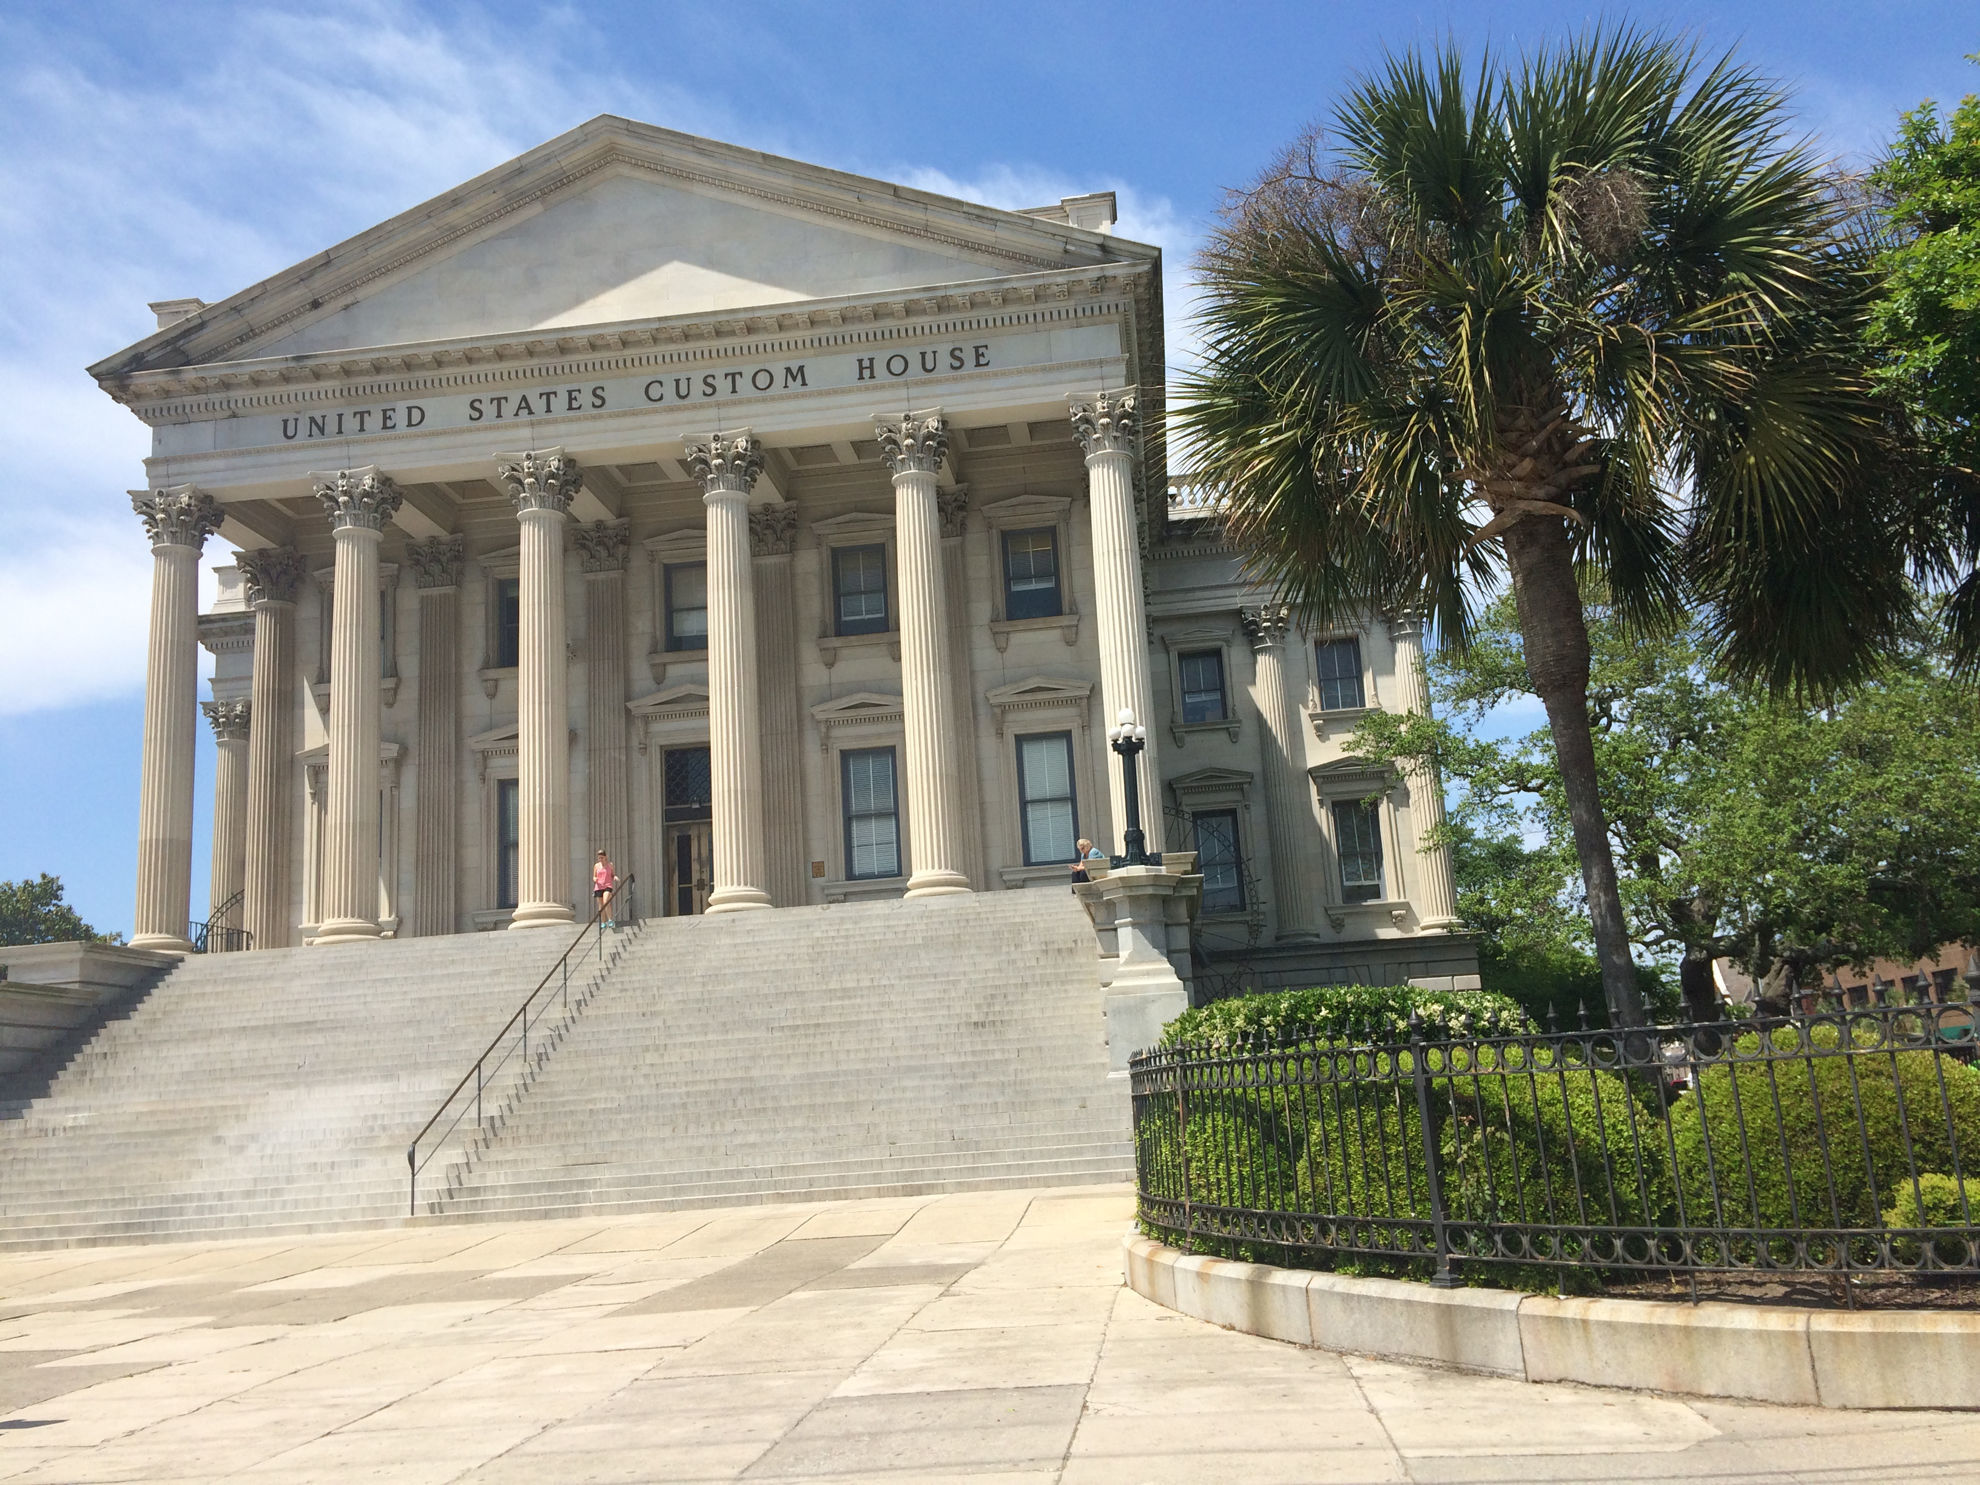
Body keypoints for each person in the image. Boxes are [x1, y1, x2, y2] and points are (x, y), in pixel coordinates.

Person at [592, 849, 618, 928]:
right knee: (601, 905)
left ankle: (610, 919)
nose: (600, 859)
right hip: (598, 886)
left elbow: (613, 874)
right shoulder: (596, 865)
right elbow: (594, 876)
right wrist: (595, 879)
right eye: (599, 858)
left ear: (605, 857)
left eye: (602, 858)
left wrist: (615, 877)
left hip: (607, 885)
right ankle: (603, 922)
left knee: (606, 901)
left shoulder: (610, 865)